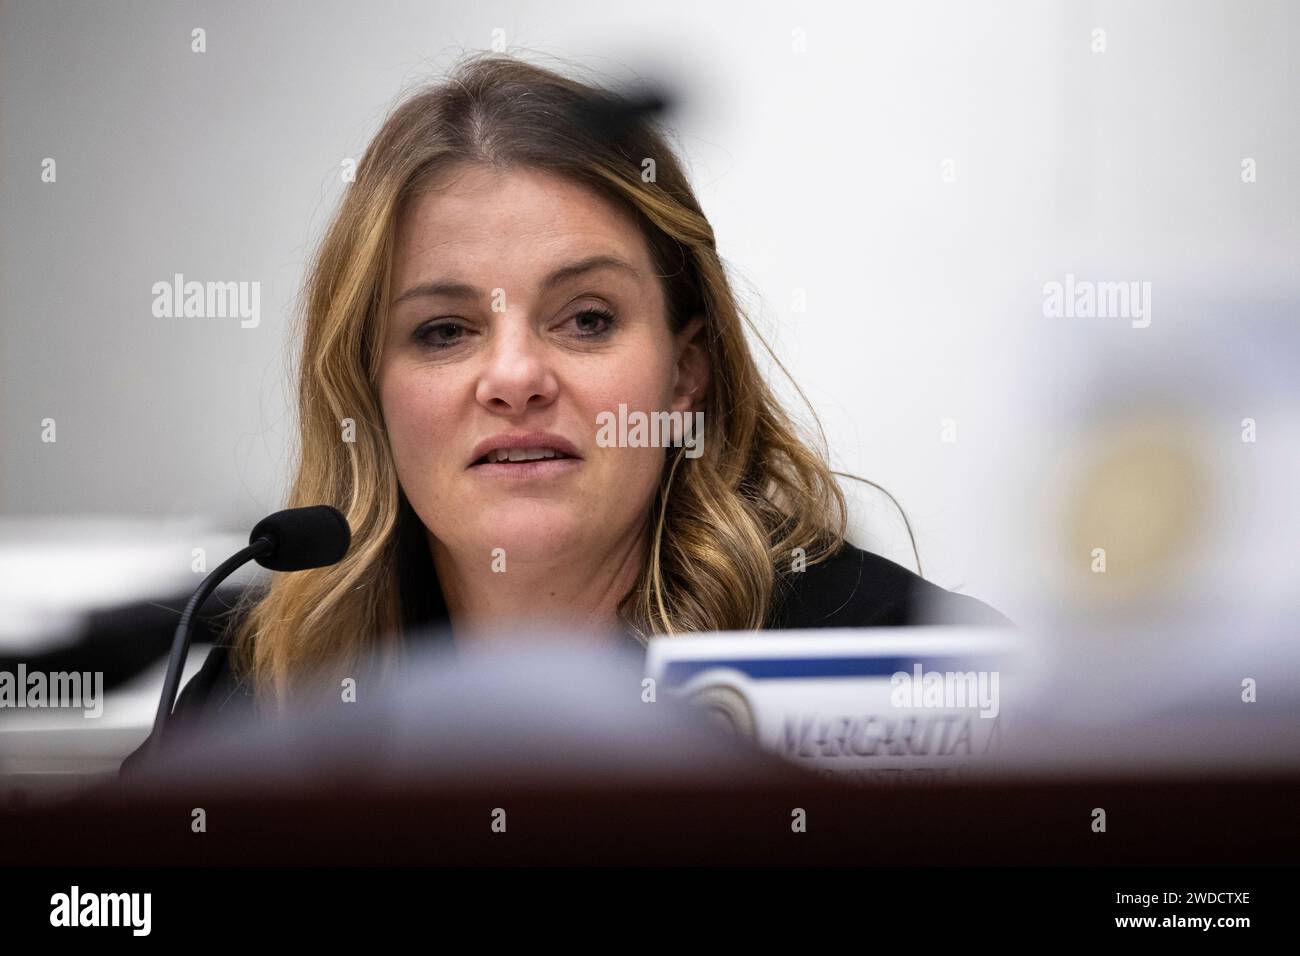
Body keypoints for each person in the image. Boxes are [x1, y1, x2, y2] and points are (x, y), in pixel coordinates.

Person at [122, 53, 1008, 773]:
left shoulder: (897, 668)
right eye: (443, 330)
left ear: (685, 374)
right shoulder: (279, 690)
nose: (514, 378)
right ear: (369, 392)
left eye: (586, 319)